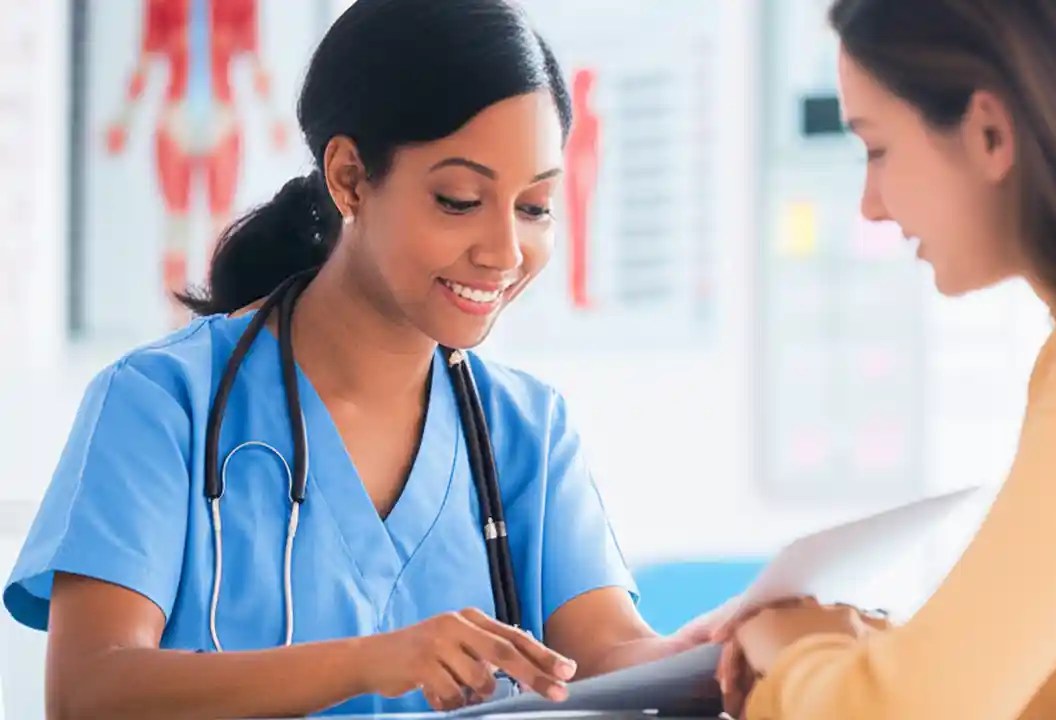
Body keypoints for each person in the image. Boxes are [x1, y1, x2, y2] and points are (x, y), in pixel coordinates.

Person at [5, 1, 700, 717]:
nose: (505, 252)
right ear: (349, 179)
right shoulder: (161, 402)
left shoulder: (527, 430)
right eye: (460, 200)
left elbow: (609, 654)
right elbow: (89, 691)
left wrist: (716, 650)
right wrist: (371, 660)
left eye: (535, 207)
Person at [717, 0, 1056, 718]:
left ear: (989, 131)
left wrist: (799, 657)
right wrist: (840, 645)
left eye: (878, 148)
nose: (870, 206)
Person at [105, 0, 290, 328]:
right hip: (177, 116)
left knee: (219, 222)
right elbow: (146, 62)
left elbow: (254, 61)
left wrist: (273, 118)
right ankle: (176, 319)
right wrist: (124, 120)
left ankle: (216, 311)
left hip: (221, 116)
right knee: (178, 221)